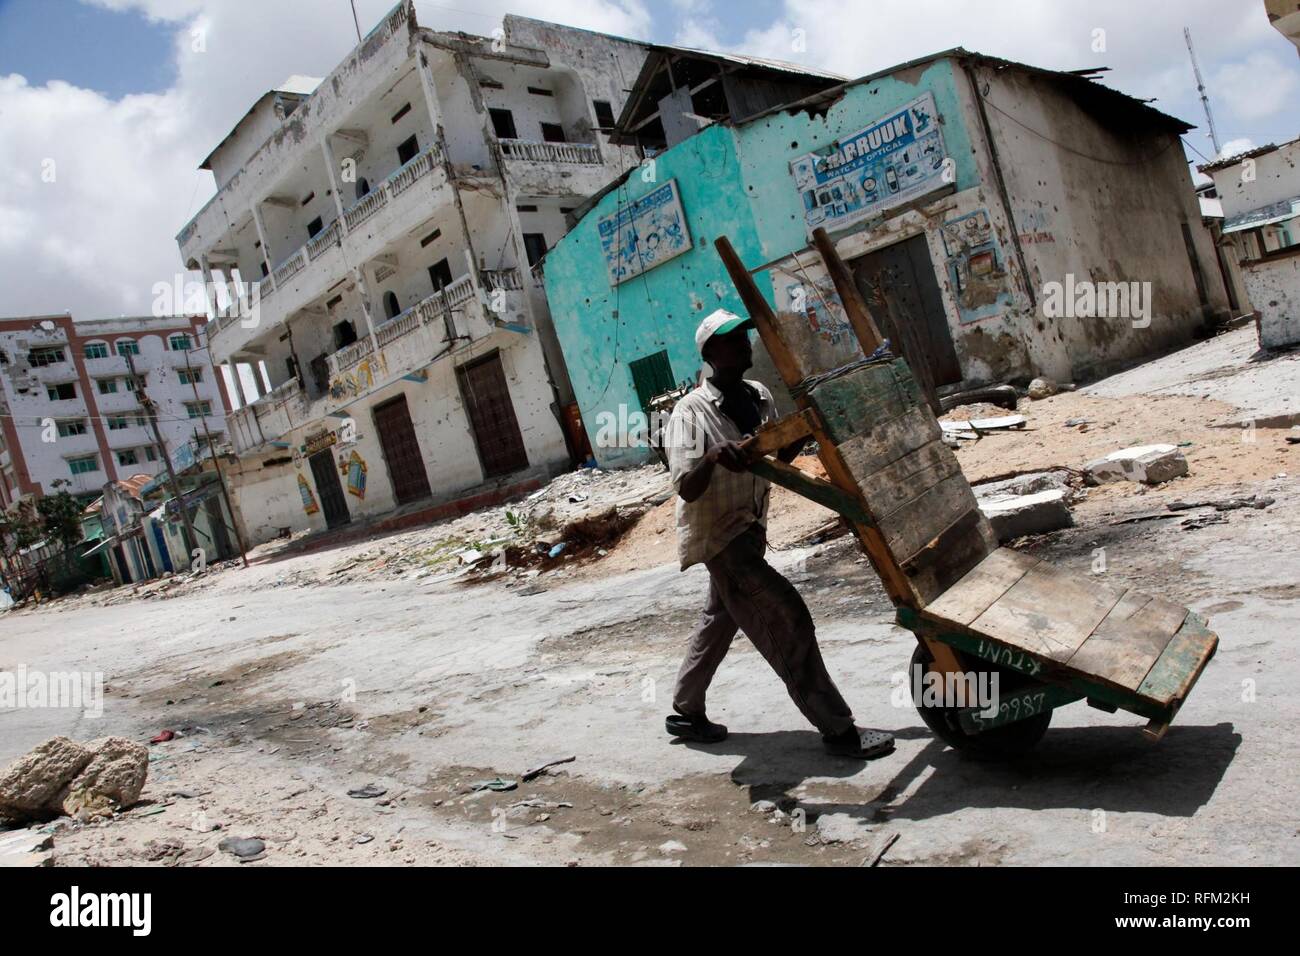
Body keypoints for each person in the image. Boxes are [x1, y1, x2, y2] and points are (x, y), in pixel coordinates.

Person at [661, 308, 895, 760]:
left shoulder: (759, 395)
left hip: (751, 527)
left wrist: (804, 429)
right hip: (720, 540)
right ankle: (837, 728)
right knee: (786, 617)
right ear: (710, 352)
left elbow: (776, 456)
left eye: (744, 336)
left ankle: (686, 710)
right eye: (731, 339)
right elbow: (686, 489)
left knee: (721, 617)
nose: (744, 344)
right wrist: (712, 458)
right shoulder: (689, 414)